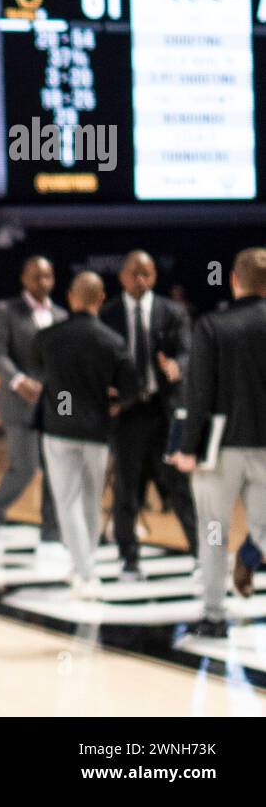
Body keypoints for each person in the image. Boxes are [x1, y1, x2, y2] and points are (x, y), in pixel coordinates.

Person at [173, 248, 266, 637]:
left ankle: (213, 616)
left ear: (233, 280)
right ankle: (251, 554)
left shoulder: (212, 326)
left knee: (213, 532)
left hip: (218, 451)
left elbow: (199, 394)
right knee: (263, 531)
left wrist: (187, 447)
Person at [31, 272, 138, 597]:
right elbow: (131, 391)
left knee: (68, 502)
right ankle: (83, 566)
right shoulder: (113, 341)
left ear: (71, 297)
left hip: (59, 430)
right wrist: (115, 404)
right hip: (96, 430)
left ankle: (86, 572)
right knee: (91, 502)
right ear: (101, 298)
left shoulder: (47, 337)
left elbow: (39, 373)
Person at [100, 250, 197, 580]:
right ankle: (129, 558)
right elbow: (99, 361)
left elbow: (187, 351)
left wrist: (177, 366)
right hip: (126, 413)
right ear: (123, 276)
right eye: (135, 273)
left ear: (154, 276)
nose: (141, 279)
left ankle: (201, 556)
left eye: (147, 273)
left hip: (164, 411)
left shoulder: (172, 312)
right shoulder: (107, 314)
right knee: (125, 488)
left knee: (179, 486)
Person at [0, 256, 66, 553]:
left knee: (55, 469)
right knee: (26, 467)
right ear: (25, 279)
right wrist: (18, 381)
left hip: (52, 406)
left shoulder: (61, 315)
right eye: (37, 276)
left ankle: (51, 533)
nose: (43, 282)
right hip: (19, 403)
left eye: (48, 276)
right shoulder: (6, 311)